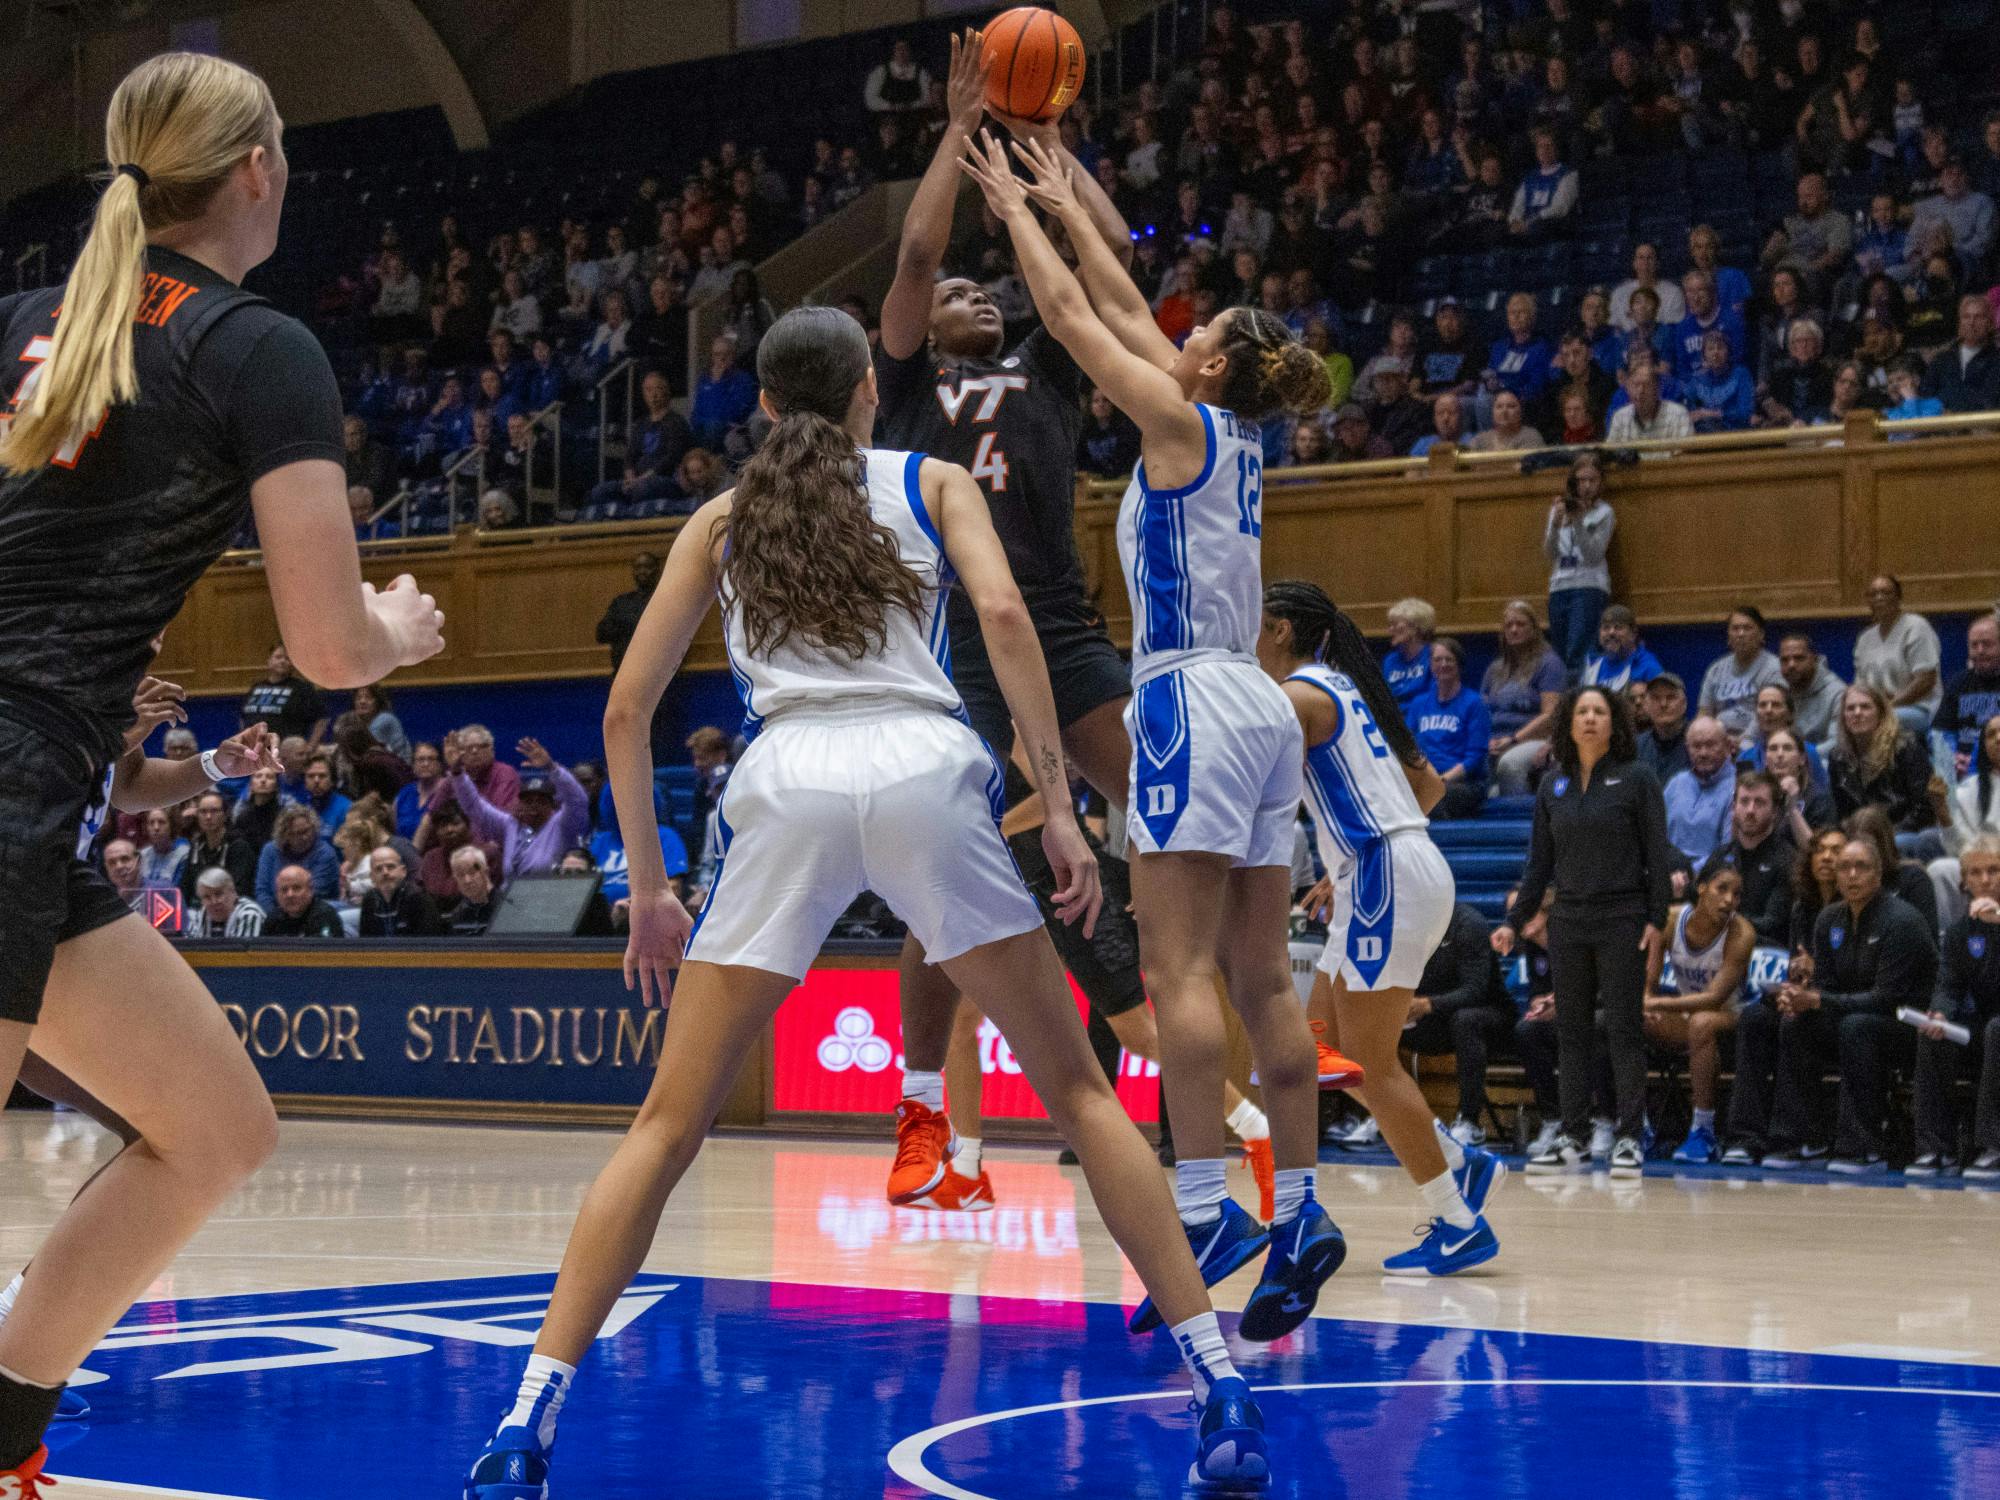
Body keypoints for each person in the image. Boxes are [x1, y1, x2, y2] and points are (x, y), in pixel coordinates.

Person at [464, 305, 1274, 1499]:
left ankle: (525, 1421)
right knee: (1082, 1092)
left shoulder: (720, 516)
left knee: (662, 1130)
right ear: (863, 394)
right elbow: (1004, 619)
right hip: (920, 771)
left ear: (764, 406)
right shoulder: (934, 477)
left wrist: (645, 885)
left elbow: (627, 712)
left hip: (783, 779)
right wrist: (1056, 803)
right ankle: (1220, 1388)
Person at [0, 50, 448, 1484]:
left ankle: (6, 1424)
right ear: (256, 170)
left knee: (214, 1127)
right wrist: (396, 627)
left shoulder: (28, 318)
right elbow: (325, 644)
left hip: (36, 789)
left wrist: (109, 763)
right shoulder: (259, 347)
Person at [962, 130, 1340, 1354]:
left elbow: (1077, 316)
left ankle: (1199, 1207)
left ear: (1213, 360)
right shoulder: (1229, 436)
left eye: (1193, 332)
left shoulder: (1177, 423)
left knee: (1175, 974)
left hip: (1182, 697)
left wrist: (1007, 207)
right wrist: (1061, 182)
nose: (1168, 332)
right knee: (1263, 979)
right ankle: (1306, 1208)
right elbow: (1122, 293)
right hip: (1260, 713)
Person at [869, 40, 1160, 1217]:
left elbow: (1112, 260)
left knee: (1169, 805)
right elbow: (918, 250)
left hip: (1065, 621)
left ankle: (1193, 1052)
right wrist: (955, 129)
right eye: (954, 297)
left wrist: (1044, 153)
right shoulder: (901, 390)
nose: (970, 293)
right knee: (954, 890)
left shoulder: (1044, 362)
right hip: (960, 639)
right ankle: (920, 1106)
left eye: (984, 289)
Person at [1259, 583, 1501, 1278]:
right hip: (1389, 867)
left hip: (1384, 876)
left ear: (1277, 631)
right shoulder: (1340, 686)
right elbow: (1425, 789)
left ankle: (1457, 1221)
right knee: (1324, 1044)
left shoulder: (1298, 695)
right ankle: (1456, 1160)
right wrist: (1349, 862)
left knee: (1367, 1058)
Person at [1493, 687, 1674, 1178]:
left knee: (1622, 1029)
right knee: (1569, 1032)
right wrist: (1514, 921)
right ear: (1568, 724)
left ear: (1614, 722)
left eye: (1599, 711)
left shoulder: (1638, 779)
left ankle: (1629, 1136)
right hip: (1568, 921)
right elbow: (1538, 866)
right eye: (1582, 712)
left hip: (1623, 919)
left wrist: (1657, 921)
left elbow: (1658, 856)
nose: (1591, 719)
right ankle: (1573, 1135)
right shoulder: (1553, 785)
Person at [1730, 834, 1936, 1171]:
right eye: (1845, 868)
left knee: (1857, 1027)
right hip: (1851, 1016)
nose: (1852, 875)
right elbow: (1825, 986)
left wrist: (1817, 1000)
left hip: (1907, 1024)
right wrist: (1796, 997)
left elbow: (1886, 999)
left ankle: (1864, 1146)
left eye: (1861, 867)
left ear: (1879, 874)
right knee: (1788, 1020)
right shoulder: (1829, 919)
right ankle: (1798, 1138)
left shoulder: (1902, 921)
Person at [1645, 860, 1756, 1164]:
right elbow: (1648, 983)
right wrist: (1646, 1003)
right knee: (1630, 1019)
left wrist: (1656, 1004)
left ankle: (1703, 1131)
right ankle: (1635, 1124)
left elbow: (1713, 998)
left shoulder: (1741, 933)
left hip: (1732, 1018)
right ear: (1701, 887)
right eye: (1722, 889)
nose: (1729, 900)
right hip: (1687, 1016)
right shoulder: (1670, 920)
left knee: (1701, 1022)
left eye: (1737, 894)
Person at [1908, 835, 2000, 1179]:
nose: (1986, 880)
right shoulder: (1962, 932)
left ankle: (1994, 1147)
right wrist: (1940, 1012)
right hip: (1985, 1029)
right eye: (1976, 872)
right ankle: (1935, 1147)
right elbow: (1948, 983)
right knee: (1935, 1035)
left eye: (1994, 870)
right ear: (1964, 881)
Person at [1400, 901, 1515, 1146]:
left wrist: (1428, 1004)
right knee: (1378, 1023)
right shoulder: (1406, 928)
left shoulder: (1468, 924)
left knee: (1466, 1020)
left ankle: (1470, 1122)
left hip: (1492, 1016)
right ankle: (1381, 1114)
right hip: (1440, 1018)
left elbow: (1475, 991)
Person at [443, 738, 591, 880]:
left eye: (541, 801)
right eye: (528, 801)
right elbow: (474, 806)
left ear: (552, 805)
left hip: (551, 900)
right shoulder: (510, 825)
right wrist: (457, 773)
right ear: (519, 803)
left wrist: (551, 767)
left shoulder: (562, 824)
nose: (534, 805)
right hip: (512, 901)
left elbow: (578, 800)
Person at [1829, 683, 1938, 843]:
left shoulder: (1907, 748)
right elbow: (1841, 814)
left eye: (1865, 707)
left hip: (1902, 832)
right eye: (1850, 708)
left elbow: (1924, 810)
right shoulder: (1838, 757)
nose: (1857, 713)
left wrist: (1884, 837)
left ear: (1881, 713)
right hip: (1858, 837)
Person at [1706, 771, 1799, 946]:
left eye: (1759, 803)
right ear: (1734, 808)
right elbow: (1696, 901)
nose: (1750, 810)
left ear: (1775, 812)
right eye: (1744, 801)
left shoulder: (1788, 860)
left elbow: (1772, 924)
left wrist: (1723, 920)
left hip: (1764, 954)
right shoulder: (1721, 856)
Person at [1482, 600, 1565, 797]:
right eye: (1509, 625)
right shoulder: (1495, 669)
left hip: (1534, 740)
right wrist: (1485, 741)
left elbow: (1550, 715)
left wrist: (1513, 739)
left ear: (1534, 629)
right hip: (1495, 741)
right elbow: (1481, 711)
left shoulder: (1549, 664)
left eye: (1520, 624)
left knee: (1511, 763)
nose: (1514, 629)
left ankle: (1518, 823)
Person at [1543, 452, 1615, 675]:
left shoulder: (1605, 512)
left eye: (1592, 480)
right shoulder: (1559, 509)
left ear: (1600, 482)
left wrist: (1579, 522)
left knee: (1579, 653)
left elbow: (1593, 555)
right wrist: (1555, 525)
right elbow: (1549, 553)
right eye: (1581, 480)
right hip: (1559, 586)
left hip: (1589, 586)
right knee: (1560, 653)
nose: (1586, 486)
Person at [1405, 638, 1490, 819]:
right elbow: (1408, 746)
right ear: (1430, 665)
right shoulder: (1418, 704)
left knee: (1433, 798)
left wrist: (1442, 780)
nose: (1443, 664)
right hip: (1426, 781)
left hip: (1463, 784)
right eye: (1437, 660)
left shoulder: (1475, 704)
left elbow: (1474, 758)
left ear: (1459, 664)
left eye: (1449, 659)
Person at [1853, 573, 1942, 739]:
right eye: (1873, 594)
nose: (1879, 597)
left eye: (1886, 592)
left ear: (1898, 597)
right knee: (1850, 719)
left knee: (1871, 721)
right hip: (1879, 710)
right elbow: (1860, 687)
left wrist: (1889, 706)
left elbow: (1926, 680)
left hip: (1919, 708)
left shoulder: (1916, 627)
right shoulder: (1865, 638)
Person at [1698, 606, 1784, 742]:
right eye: (1735, 629)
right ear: (1729, 635)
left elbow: (1772, 715)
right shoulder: (1716, 669)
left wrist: (1741, 742)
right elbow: (1704, 713)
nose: (1741, 634)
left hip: (1757, 741)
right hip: (1718, 743)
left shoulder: (1774, 668)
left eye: (1747, 628)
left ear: (1761, 634)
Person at [1663, 717, 1737, 869]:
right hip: (1669, 874)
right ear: (1687, 748)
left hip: (1712, 878)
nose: (1703, 753)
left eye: (1710, 745)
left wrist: (1689, 874)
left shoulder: (1737, 787)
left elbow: (1728, 852)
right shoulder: (1676, 783)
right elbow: (1656, 837)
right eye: (1696, 746)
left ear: (1727, 746)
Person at [1934, 613, 2000, 775]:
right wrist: (1951, 757)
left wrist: (1978, 760)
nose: (1980, 651)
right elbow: (1940, 733)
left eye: (1987, 644)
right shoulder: (1958, 682)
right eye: (1974, 645)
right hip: (1961, 765)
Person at [239, 641, 327, 745]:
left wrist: (311, 746)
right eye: (278, 657)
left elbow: (322, 719)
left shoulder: (302, 688)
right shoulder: (256, 687)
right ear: (269, 661)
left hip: (285, 750)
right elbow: (243, 717)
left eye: (287, 658)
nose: (282, 661)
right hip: (254, 748)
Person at [178, 789, 257, 906]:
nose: (208, 817)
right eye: (203, 812)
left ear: (225, 814)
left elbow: (239, 890)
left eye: (214, 811)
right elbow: (185, 888)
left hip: (229, 910)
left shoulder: (238, 846)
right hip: (197, 913)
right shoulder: (196, 846)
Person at [1765, 728, 1839, 847]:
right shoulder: (1758, 796)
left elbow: (1816, 851)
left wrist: (1793, 810)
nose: (1779, 754)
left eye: (1787, 748)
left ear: (1801, 759)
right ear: (1765, 759)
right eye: (1773, 748)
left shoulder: (1819, 799)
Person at [1776, 631, 1848, 751]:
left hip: (1822, 761)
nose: (1791, 665)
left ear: (1814, 659)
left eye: (1799, 658)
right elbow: (1757, 735)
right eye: (1785, 660)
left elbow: (1836, 743)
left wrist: (1801, 757)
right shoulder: (1777, 690)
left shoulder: (1838, 693)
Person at [1581, 605, 1663, 692]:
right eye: (1606, 627)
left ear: (1633, 634)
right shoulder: (1592, 668)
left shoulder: (1648, 667)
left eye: (1618, 627)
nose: (1611, 633)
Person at [262, 863, 347, 938]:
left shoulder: (325, 916)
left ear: (310, 890)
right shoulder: (273, 919)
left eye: (296, 888)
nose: (290, 895)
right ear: (277, 895)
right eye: (284, 890)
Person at [1381, 596, 1435, 710]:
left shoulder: (1433, 656)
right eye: (1390, 625)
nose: (1390, 630)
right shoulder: (1390, 660)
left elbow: (1434, 698)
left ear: (1415, 627)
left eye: (1395, 624)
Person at [1637, 671, 1692, 781]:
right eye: (1656, 698)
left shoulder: (1698, 742)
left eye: (1671, 697)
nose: (1663, 704)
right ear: (1646, 706)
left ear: (1684, 704)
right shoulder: (1637, 746)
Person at [184, 867, 264, 939]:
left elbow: (242, 954)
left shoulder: (249, 913)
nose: (214, 902)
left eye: (218, 894)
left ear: (233, 892)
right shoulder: (198, 916)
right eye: (207, 897)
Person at [442, 845, 502, 936]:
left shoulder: (504, 908)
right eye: (460, 875)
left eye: (472, 872)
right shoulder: (457, 917)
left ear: (485, 871)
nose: (467, 880)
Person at [350, 682, 409, 763]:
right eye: (358, 698)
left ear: (377, 702)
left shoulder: (385, 719)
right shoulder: (355, 724)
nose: (362, 701)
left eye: (368, 697)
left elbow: (365, 751)